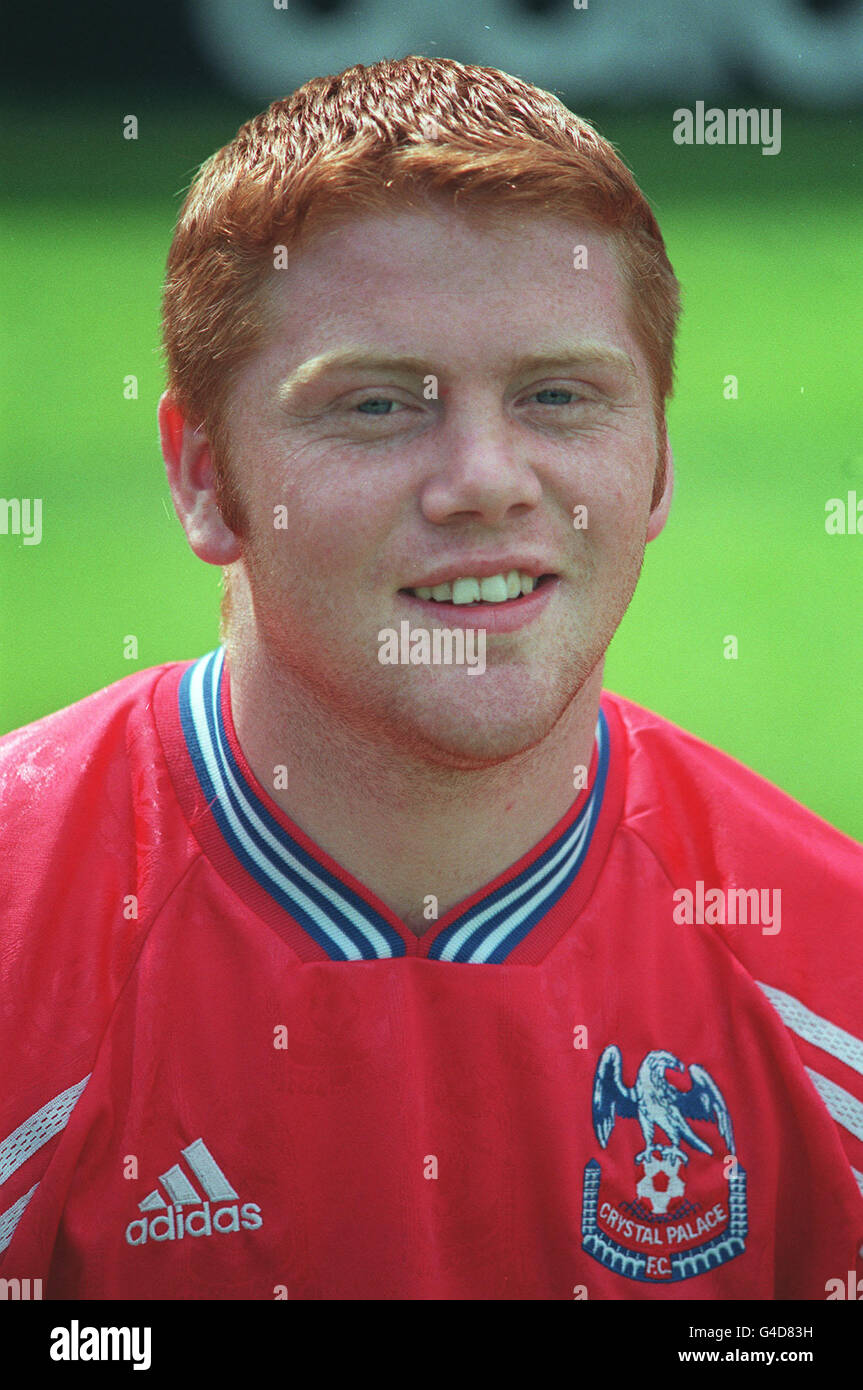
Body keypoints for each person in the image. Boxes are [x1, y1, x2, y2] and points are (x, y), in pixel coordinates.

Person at [0, 55, 860, 1301]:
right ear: (202, 477)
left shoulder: (827, 977)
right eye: (375, 406)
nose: (484, 481)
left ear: (659, 462)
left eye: (559, 396)